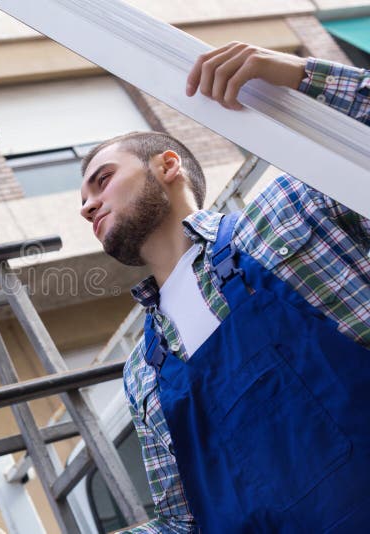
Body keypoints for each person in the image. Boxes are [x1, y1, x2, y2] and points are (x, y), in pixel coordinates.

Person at [79, 43, 370, 532]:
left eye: (102, 181)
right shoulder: (142, 374)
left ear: (167, 166)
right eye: (85, 202)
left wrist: (298, 75)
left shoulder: (285, 214)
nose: (88, 207)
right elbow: (180, 525)